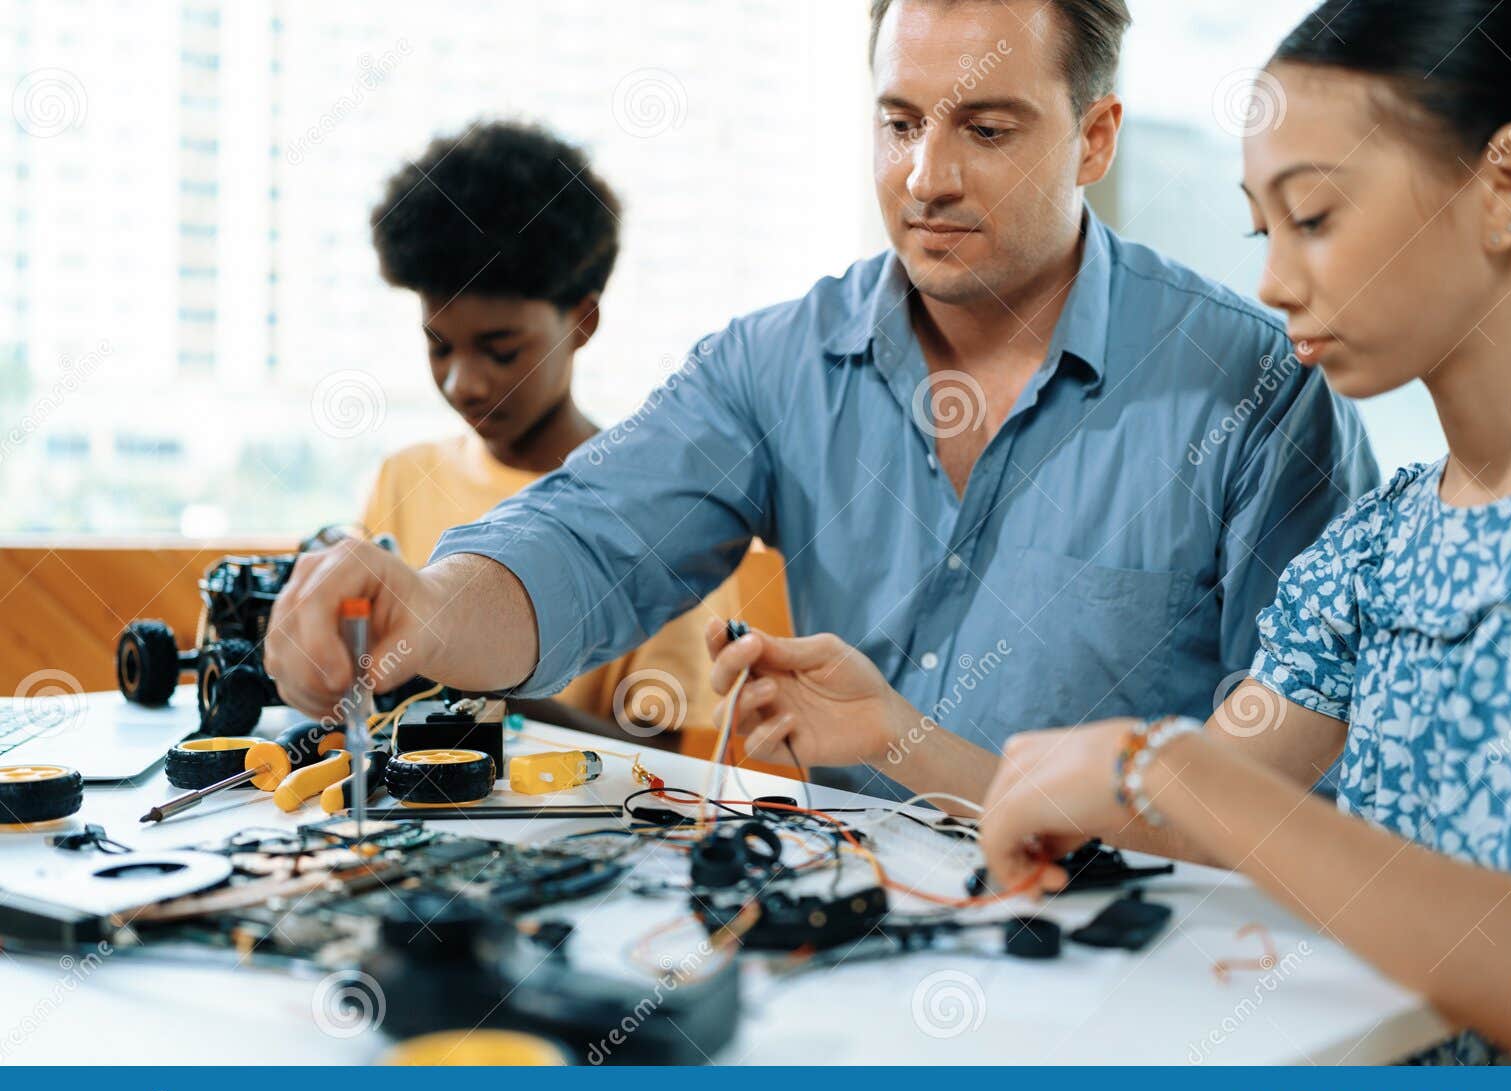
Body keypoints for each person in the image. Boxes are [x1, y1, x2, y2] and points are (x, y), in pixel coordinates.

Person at [264, 0, 1376, 800]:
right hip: (850, 958)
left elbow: (1295, 783)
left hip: (1145, 978)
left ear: (1094, 138)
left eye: (985, 130)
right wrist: (431, 607)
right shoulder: (773, 364)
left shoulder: (1260, 388)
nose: (924, 177)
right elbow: (587, 539)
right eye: (898, 123)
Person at [978, 0, 1511, 1065]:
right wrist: (903, 732)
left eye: (1312, 216)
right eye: (1263, 231)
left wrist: (1165, 768)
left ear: (1507, 188)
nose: (1271, 283)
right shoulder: (1374, 548)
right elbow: (1204, 798)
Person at [361, 121, 728, 747]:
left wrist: (475, 674)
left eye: (500, 350)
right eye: (438, 346)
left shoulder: (665, 511)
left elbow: (659, 760)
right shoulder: (405, 476)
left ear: (581, 322)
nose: (463, 384)